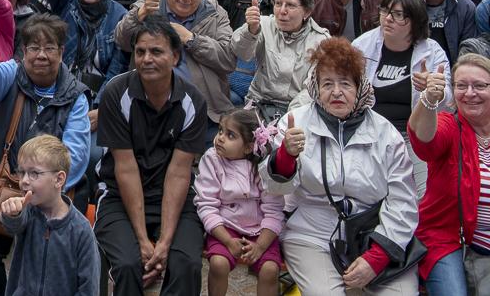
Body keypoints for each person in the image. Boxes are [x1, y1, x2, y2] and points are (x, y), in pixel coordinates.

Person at [264, 38, 420, 296]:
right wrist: (286, 156)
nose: (336, 92)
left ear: (360, 88)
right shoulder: (295, 123)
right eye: (327, 84)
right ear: (315, 88)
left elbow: (403, 202)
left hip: (375, 231)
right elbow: (272, 187)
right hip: (312, 232)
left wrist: (377, 257)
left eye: (345, 83)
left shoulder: (385, 133)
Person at [0, 12, 91, 296]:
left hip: (52, 195)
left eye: (49, 48)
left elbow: (77, 155)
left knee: (46, 252)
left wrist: (39, 189)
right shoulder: (12, 75)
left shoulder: (76, 96)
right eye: (34, 48)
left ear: (62, 52)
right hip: (4, 186)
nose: (41, 55)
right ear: (23, 52)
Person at [94, 16, 210, 296]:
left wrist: (165, 242)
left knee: (186, 264)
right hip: (118, 194)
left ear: (175, 56)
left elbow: (180, 172)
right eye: (140, 51)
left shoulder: (193, 101)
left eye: (156, 51)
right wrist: (144, 241)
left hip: (173, 195)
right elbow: (125, 168)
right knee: (127, 264)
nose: (147, 59)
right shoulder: (115, 93)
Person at [353, 0, 452, 197]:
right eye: (385, 11)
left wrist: (433, 91)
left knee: (422, 195)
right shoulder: (362, 46)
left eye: (398, 15)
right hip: (368, 133)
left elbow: (448, 101)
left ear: (415, 21)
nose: (388, 19)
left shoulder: (432, 51)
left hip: (411, 137)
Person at [407, 54, 490, 295]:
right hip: (447, 239)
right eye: (461, 86)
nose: (469, 93)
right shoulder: (449, 124)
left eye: (480, 86)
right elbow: (424, 141)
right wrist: (429, 100)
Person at [0, 135, 101, 296]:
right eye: (21, 172)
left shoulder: (81, 230)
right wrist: (11, 214)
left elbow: (89, 288)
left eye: (34, 174)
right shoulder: (28, 213)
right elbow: (14, 225)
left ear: (59, 179)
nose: (24, 180)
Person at [194, 108, 284, 296]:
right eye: (220, 131)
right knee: (218, 264)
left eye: (230, 135)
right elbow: (206, 205)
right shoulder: (212, 159)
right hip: (225, 227)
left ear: (248, 147)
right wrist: (227, 240)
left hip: (260, 230)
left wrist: (260, 246)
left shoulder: (262, 167)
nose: (220, 138)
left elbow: (274, 210)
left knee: (270, 270)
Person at [234, 0, 330, 121]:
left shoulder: (321, 40)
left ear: (307, 12)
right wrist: (251, 31)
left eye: (290, 5)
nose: (282, 11)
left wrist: (288, 118)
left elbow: (313, 88)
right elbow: (242, 53)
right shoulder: (263, 24)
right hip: (258, 105)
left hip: (299, 111)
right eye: (278, 4)